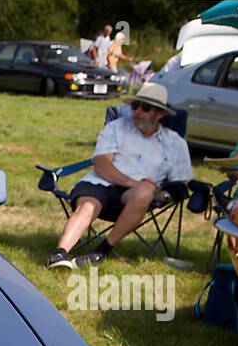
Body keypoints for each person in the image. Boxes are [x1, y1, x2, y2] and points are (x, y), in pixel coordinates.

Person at [47, 83, 192, 269]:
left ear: (160, 114)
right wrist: (131, 182)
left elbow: (182, 182)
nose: (138, 112)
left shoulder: (175, 143)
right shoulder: (116, 128)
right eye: (135, 106)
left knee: (145, 191)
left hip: (137, 198)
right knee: (88, 205)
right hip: (101, 182)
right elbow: (101, 164)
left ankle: (101, 251)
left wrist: (161, 193)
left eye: (145, 108)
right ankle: (59, 254)